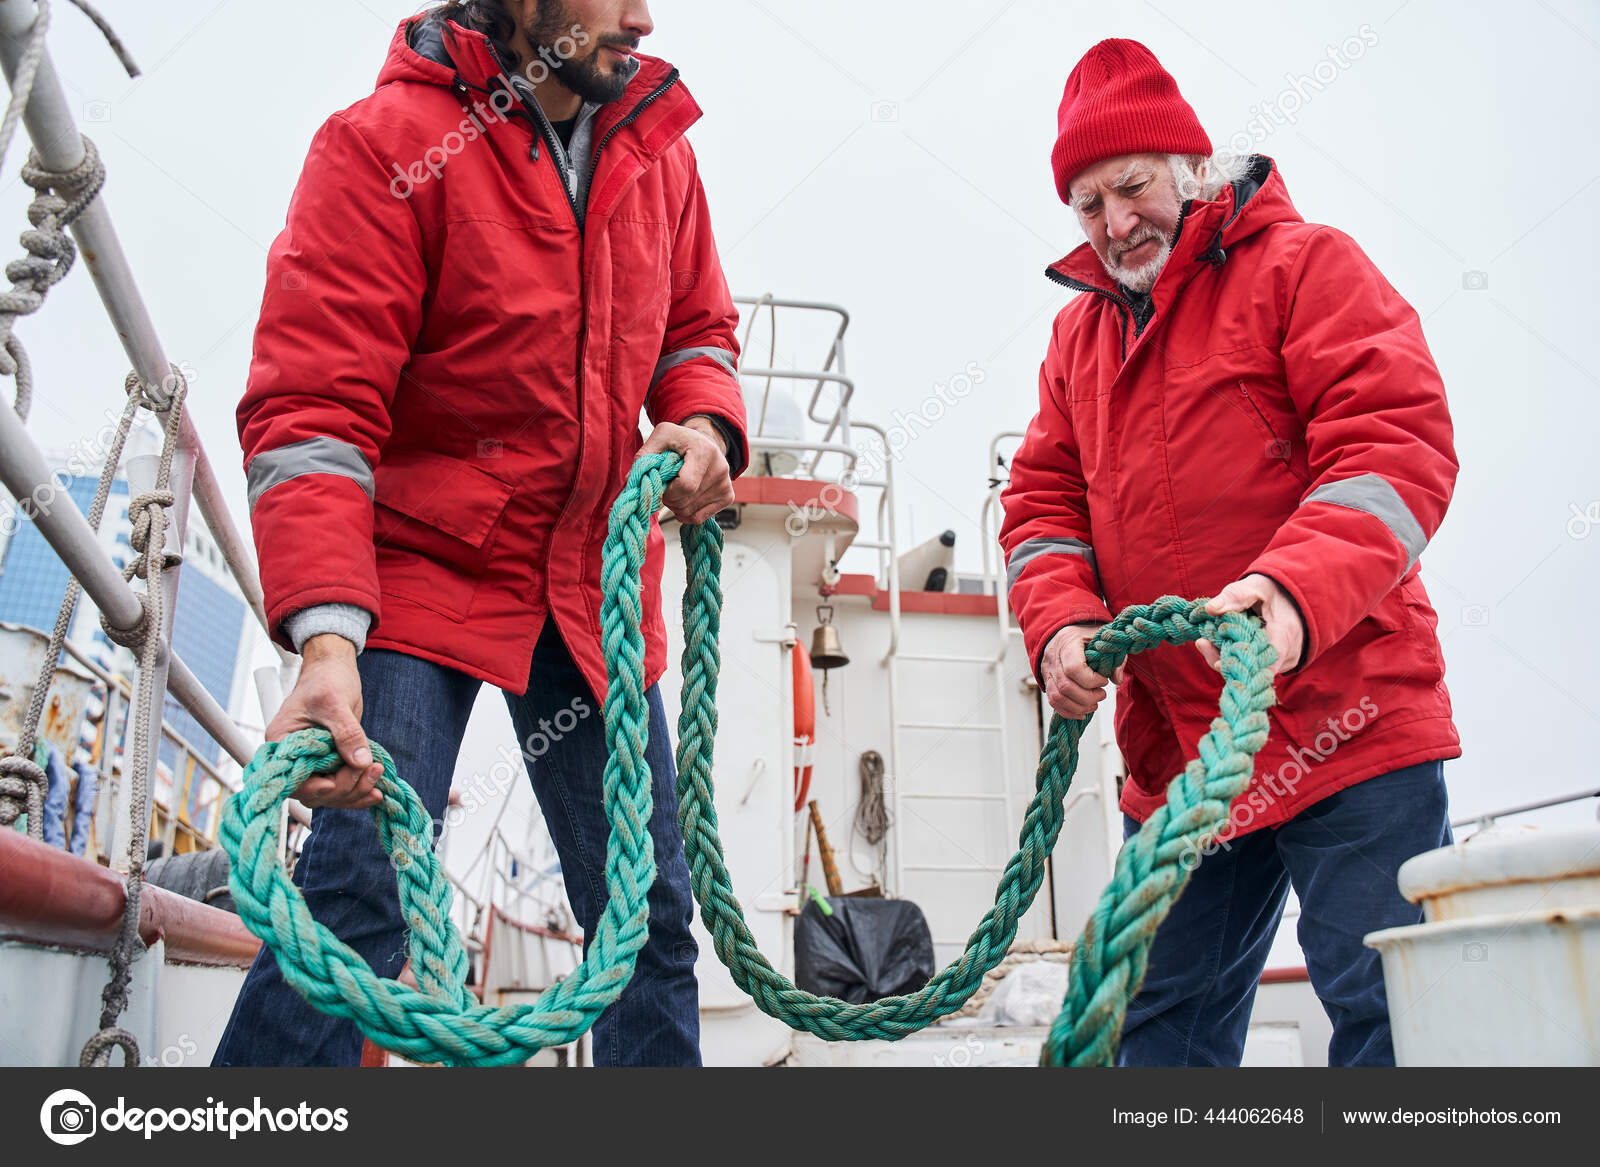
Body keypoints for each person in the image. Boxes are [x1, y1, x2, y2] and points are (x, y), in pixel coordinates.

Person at [215, 0, 747, 1067]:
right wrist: (327, 642)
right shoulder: (382, 150)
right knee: (359, 894)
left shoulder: (658, 151)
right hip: (422, 574)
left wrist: (698, 418)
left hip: (591, 581)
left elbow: (697, 329)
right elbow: (313, 411)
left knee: (646, 926)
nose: (642, 16)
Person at [999, 39, 1459, 1066]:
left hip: (1350, 719)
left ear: (1190, 169)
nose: (1116, 224)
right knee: (1155, 1039)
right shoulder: (1078, 343)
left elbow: (1394, 444)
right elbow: (1039, 504)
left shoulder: (1307, 268)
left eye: (1131, 186)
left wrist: (1290, 593)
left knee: (1391, 1021)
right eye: (1087, 205)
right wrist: (1060, 622)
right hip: (1179, 754)